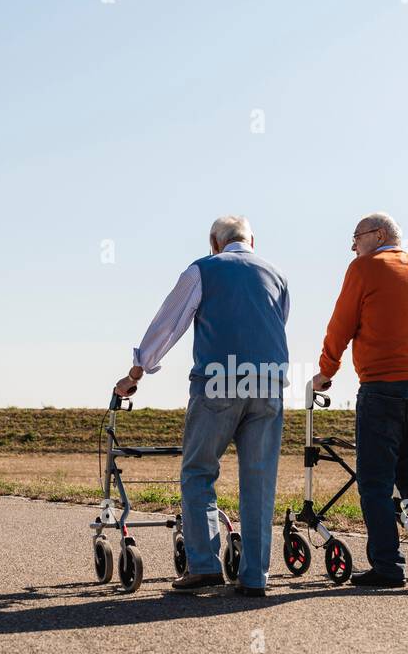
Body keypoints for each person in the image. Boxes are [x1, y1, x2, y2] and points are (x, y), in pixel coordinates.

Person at [115, 216, 289, 597]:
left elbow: (169, 323)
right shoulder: (277, 274)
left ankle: (205, 565)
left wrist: (137, 371)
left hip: (219, 381)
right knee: (259, 480)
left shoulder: (203, 270)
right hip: (270, 383)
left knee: (199, 471)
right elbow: (277, 322)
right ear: (252, 241)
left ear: (215, 241)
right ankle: (255, 576)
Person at [312, 212, 408, 588]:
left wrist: (326, 371)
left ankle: (388, 567)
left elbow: (340, 325)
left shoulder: (363, 269)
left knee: (375, 480)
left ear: (378, 235)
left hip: (383, 388)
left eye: (356, 237)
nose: (353, 246)